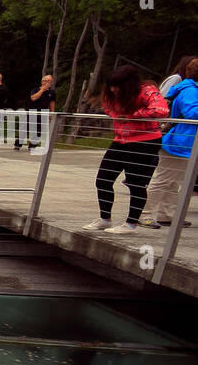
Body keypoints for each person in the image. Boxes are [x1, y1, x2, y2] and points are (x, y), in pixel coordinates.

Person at [82, 65, 170, 234]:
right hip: (121, 140)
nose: (114, 90)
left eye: (118, 86)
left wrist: (131, 115)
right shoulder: (112, 94)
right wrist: (118, 114)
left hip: (144, 141)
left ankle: (131, 223)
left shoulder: (147, 91)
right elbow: (108, 108)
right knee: (103, 179)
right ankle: (105, 218)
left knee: (135, 182)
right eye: (112, 86)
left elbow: (161, 109)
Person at [142, 57, 198, 228]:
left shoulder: (188, 88)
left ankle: (165, 214)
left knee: (173, 181)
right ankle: (144, 214)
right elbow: (193, 113)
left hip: (183, 142)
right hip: (180, 142)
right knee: (163, 179)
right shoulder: (190, 91)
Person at [22, 75, 57, 151]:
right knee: (25, 128)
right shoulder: (35, 89)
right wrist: (42, 90)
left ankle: (32, 146)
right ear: (42, 81)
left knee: (38, 130)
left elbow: (52, 104)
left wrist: (52, 113)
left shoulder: (52, 92)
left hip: (43, 113)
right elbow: (33, 98)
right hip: (32, 112)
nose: (49, 82)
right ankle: (18, 144)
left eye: (50, 81)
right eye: (47, 80)